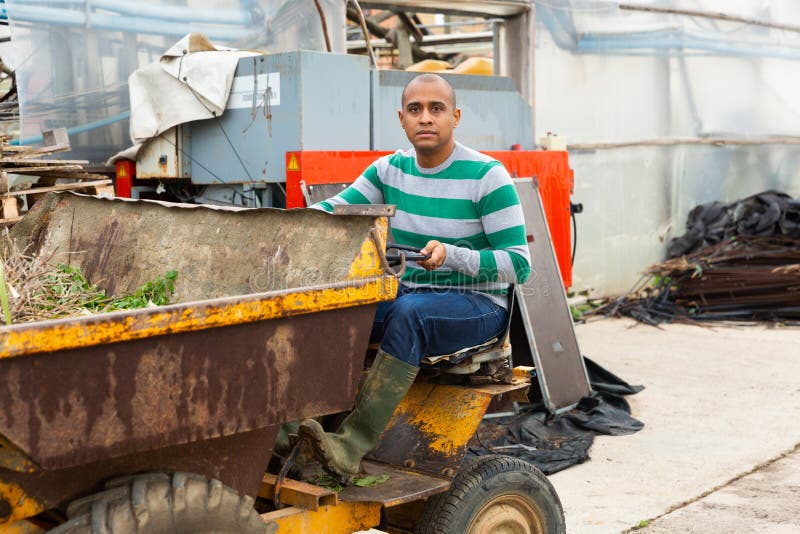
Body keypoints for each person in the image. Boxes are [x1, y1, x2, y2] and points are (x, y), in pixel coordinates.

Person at [297, 73, 531, 482]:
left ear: (455, 117)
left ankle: (349, 447)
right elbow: (337, 210)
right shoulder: (388, 171)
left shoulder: (487, 176)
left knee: (409, 313)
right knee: (335, 306)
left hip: (479, 306)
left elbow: (519, 264)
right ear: (401, 119)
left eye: (436, 109)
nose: (426, 118)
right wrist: (281, 222)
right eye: (415, 109)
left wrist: (452, 256)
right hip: (413, 294)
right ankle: (290, 430)